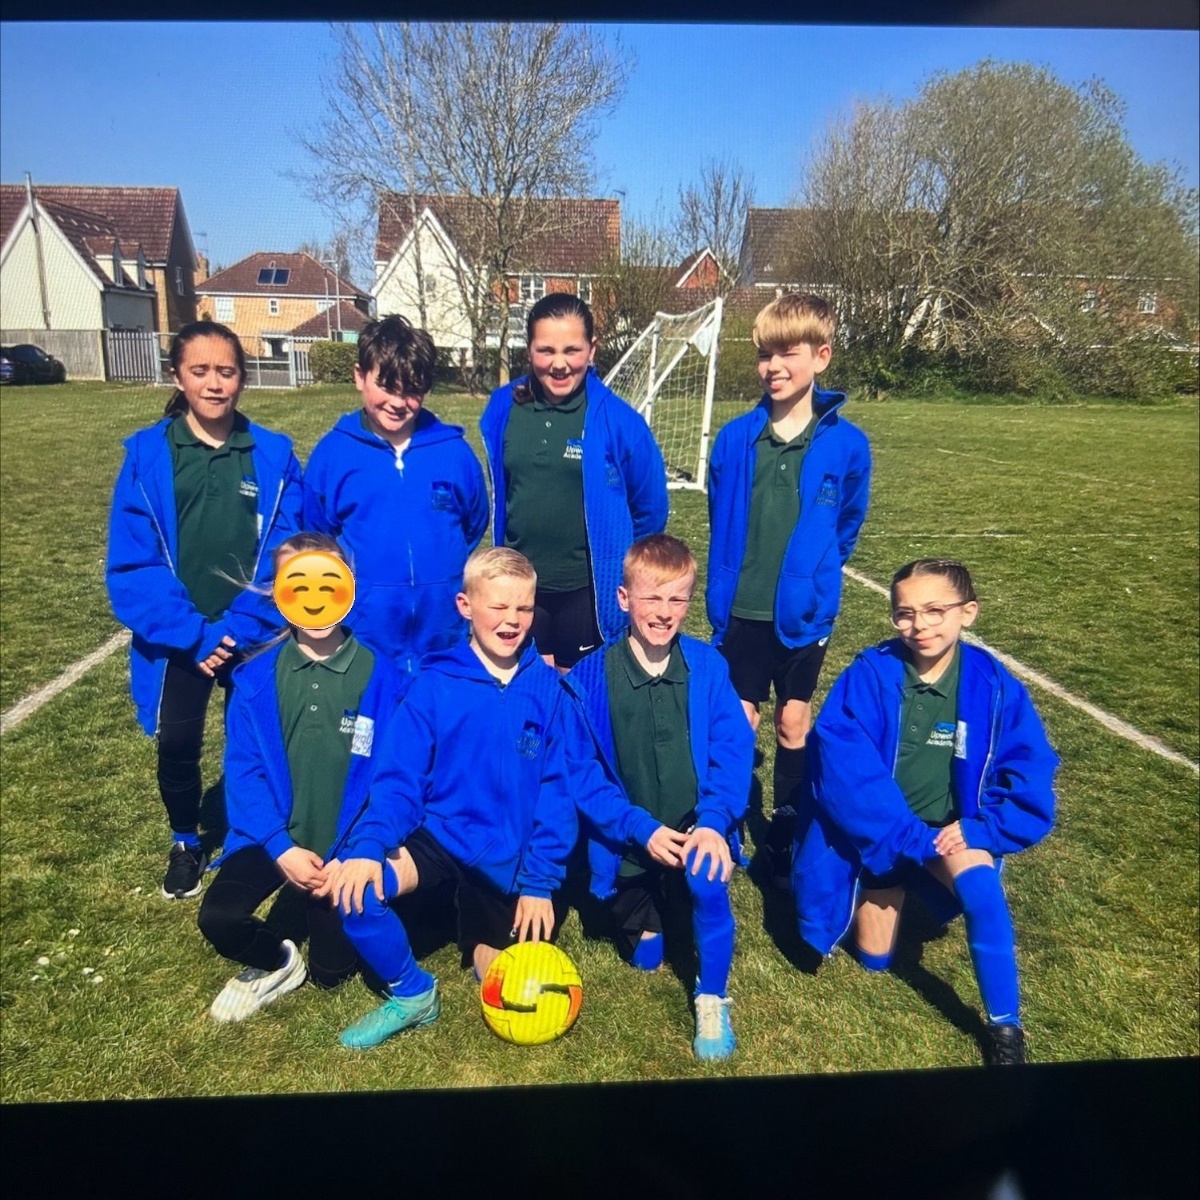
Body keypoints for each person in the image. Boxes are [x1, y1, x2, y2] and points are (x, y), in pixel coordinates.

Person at [793, 558, 1058, 1066]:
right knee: (874, 961)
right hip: (877, 834)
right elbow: (843, 772)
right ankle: (880, 885)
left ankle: (1006, 1029)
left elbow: (1029, 769)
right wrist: (908, 839)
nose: (920, 626)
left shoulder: (995, 685)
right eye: (905, 614)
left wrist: (983, 828)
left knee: (982, 890)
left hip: (948, 833)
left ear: (969, 613)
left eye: (936, 611)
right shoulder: (869, 674)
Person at [327, 547, 579, 1049]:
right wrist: (370, 843)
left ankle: (478, 928)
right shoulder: (432, 685)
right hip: (440, 836)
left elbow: (558, 795)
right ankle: (414, 994)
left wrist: (539, 883)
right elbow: (399, 780)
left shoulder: (550, 691)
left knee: (504, 973)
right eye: (498, 607)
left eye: (523, 609)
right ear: (465, 605)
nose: (511, 621)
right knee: (356, 893)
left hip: (510, 857)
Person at [106, 320, 303, 900]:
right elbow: (133, 564)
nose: (215, 384)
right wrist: (193, 634)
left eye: (227, 371)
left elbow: (289, 550)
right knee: (177, 743)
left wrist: (241, 625)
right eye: (200, 371)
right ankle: (186, 839)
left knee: (268, 739)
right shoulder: (147, 457)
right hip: (182, 640)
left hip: (253, 634)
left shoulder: (271, 454)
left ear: (242, 378)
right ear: (177, 376)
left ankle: (264, 837)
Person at [197, 533, 408, 1021]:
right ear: (277, 592)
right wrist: (281, 849)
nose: (313, 597)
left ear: (348, 586)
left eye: (326, 582)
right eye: (297, 583)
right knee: (219, 918)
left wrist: (358, 852)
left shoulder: (386, 679)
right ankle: (277, 960)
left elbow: (395, 778)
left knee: (332, 974)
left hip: (346, 848)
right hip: (273, 841)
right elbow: (244, 774)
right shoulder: (253, 680)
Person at [565, 534, 755, 1060]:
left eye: (678, 599)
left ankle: (712, 998)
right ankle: (648, 907)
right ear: (624, 599)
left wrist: (715, 821)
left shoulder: (707, 667)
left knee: (707, 881)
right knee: (647, 958)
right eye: (652, 597)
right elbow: (583, 775)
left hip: (697, 827)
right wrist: (638, 828)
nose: (664, 612)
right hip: (630, 838)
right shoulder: (589, 678)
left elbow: (733, 753)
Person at [705, 292, 871, 887]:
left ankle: (786, 827)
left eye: (789, 354)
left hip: (805, 617)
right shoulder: (734, 439)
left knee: (793, 725)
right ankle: (719, 818)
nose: (774, 367)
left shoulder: (847, 446)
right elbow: (718, 514)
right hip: (742, 612)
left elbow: (846, 523)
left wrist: (815, 575)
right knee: (736, 722)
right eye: (764, 356)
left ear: (821, 357)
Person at [480, 293, 669, 671]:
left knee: (579, 701)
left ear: (592, 349)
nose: (559, 364)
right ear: (529, 349)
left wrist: (616, 559)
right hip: (521, 588)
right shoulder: (503, 406)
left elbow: (650, 511)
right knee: (527, 698)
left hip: (586, 594)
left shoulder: (618, 420)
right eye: (545, 350)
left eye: (572, 349)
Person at [303, 314, 489, 675]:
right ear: (359, 376)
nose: (398, 402)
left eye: (412, 390)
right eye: (387, 387)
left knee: (437, 726)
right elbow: (316, 536)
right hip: (366, 634)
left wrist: (440, 577)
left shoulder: (453, 453)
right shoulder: (334, 456)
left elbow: (473, 523)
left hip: (443, 633)